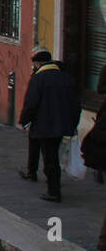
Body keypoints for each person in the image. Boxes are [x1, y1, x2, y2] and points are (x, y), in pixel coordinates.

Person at [19, 47, 81, 203]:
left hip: (44, 124)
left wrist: (24, 120)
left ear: (38, 63)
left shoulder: (38, 79)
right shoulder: (67, 78)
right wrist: (73, 123)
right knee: (53, 156)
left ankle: (53, 191)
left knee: (50, 159)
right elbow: (76, 105)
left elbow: (31, 104)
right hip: (61, 124)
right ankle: (45, 180)